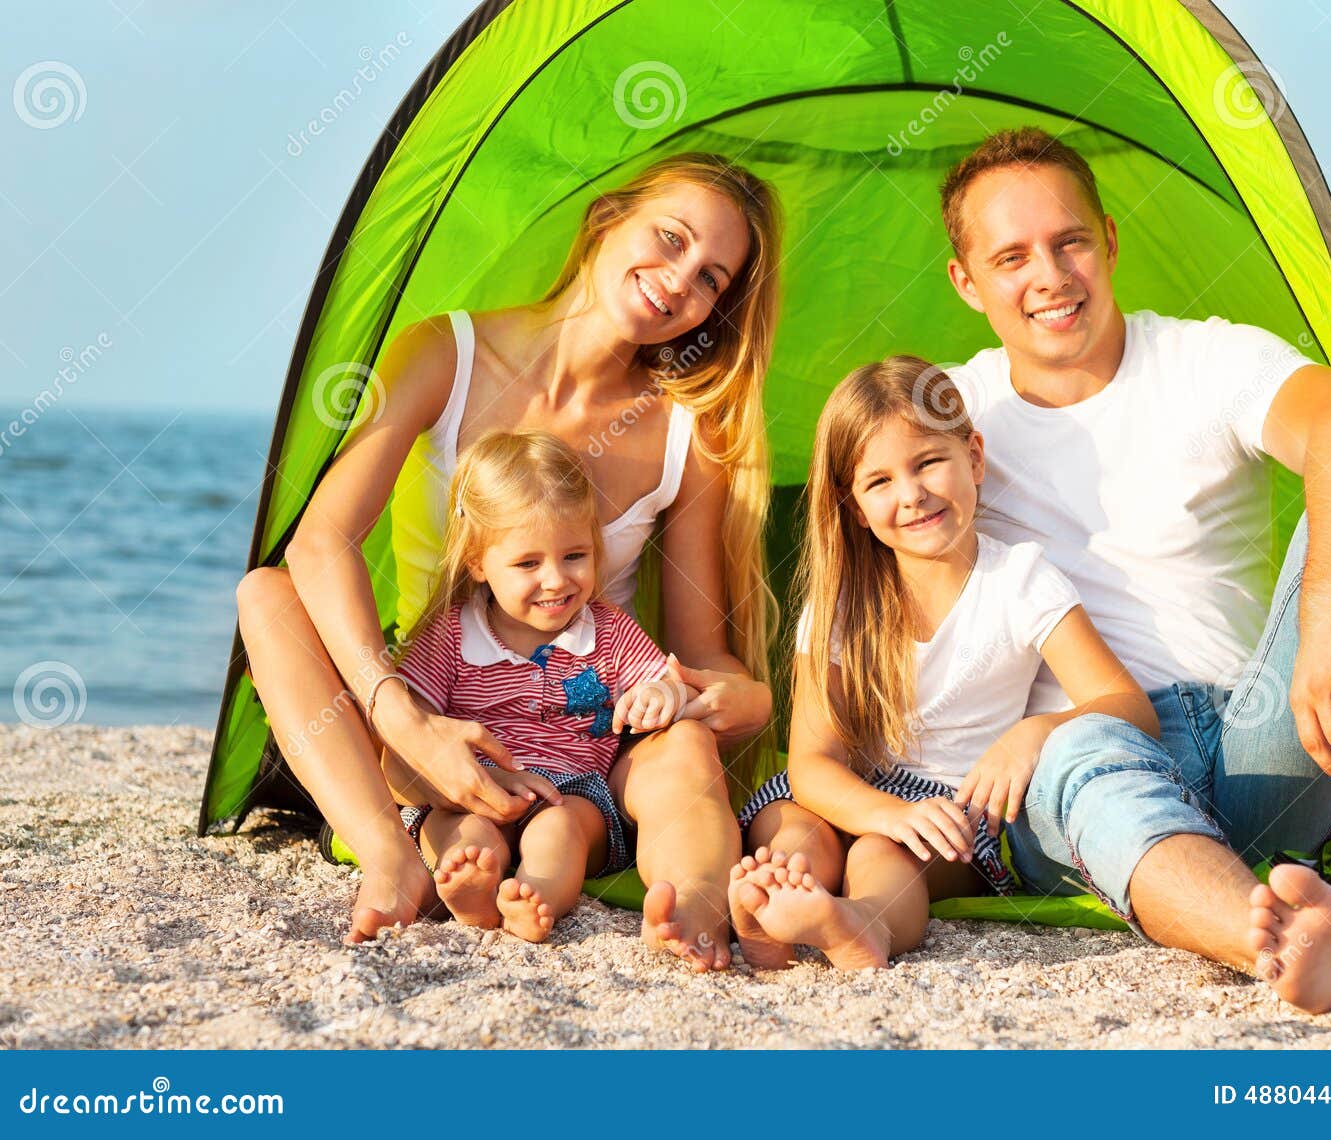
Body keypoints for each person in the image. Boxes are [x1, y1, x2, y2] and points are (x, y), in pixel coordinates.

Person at [931, 127, 1331, 1011]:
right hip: (1077, 762)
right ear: (968, 282)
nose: (1049, 275)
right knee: (1083, 745)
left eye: (1069, 240)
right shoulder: (948, 415)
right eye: (1012, 257)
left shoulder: (1204, 359)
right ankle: (1278, 944)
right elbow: (852, 545)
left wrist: (1327, 601)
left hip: (1255, 743)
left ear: (1109, 241)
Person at [235, 153, 782, 968]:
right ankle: (390, 856)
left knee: (685, 755)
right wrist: (405, 720)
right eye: (668, 239)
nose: (677, 281)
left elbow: (707, 660)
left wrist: (728, 701)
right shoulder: (445, 353)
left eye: (710, 279)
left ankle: (691, 909)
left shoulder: (685, 432)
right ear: (606, 220)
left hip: (587, 732)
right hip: (438, 695)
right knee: (265, 595)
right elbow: (322, 540)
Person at [729, 357, 1157, 970]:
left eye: (928, 462)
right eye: (879, 482)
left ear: (974, 459)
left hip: (948, 812)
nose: (912, 495)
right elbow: (812, 765)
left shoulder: (1020, 581)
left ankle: (858, 923)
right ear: (854, 507)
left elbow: (1131, 710)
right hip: (849, 794)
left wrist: (1034, 734)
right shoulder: (840, 604)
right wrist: (881, 809)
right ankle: (773, 909)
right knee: (789, 831)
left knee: (881, 854)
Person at [384, 431, 693, 943]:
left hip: (573, 791)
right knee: (459, 828)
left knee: (561, 830)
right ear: (479, 563)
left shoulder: (608, 631)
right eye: (528, 563)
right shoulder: (451, 634)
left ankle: (535, 895)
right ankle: (470, 885)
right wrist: (463, 785)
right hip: (477, 784)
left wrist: (664, 696)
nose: (555, 580)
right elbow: (415, 725)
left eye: (574, 556)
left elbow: (665, 680)